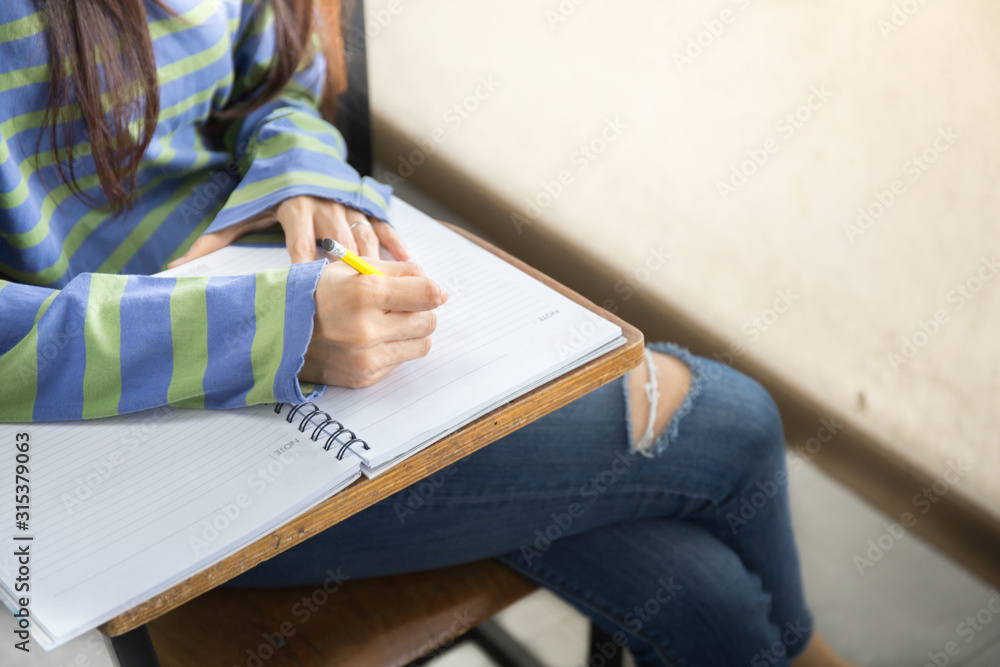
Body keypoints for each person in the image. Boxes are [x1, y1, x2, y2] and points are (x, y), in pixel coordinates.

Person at [0, 1, 857, 664]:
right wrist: (270, 332)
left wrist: (299, 169)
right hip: (116, 455)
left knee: (707, 599)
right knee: (732, 421)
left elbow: (274, 90)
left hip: (282, 307)